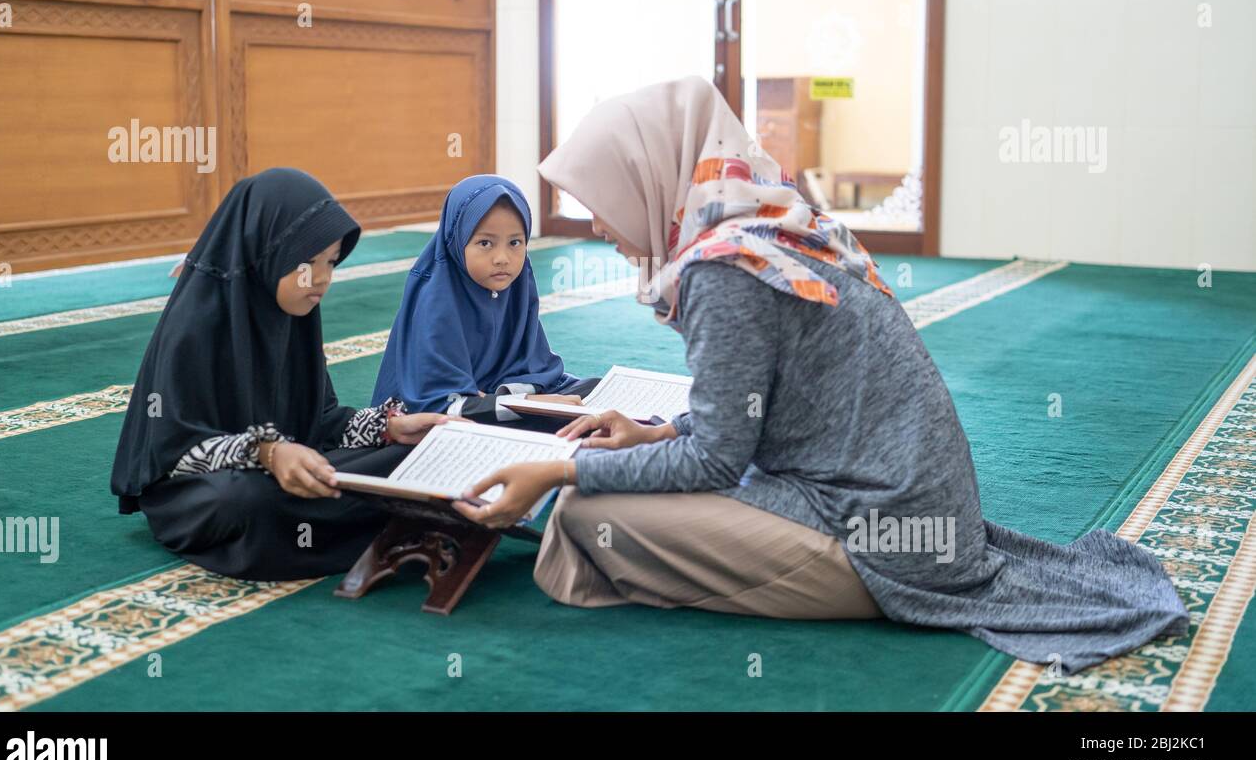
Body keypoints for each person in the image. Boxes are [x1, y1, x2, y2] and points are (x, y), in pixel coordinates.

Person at [454, 77, 1189, 675]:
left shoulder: (722, 270)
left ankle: (842, 594)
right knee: (609, 487)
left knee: (590, 517)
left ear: (648, 178)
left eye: (601, 203)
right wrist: (656, 430)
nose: (599, 227)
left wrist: (558, 471)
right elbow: (756, 410)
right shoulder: (774, 226)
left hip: (884, 545)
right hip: (918, 519)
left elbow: (718, 459)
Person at [110, 168, 451, 581]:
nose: (322, 280)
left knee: (410, 456)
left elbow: (320, 421)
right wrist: (267, 452)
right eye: (307, 263)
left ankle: (377, 513)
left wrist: (390, 429)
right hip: (202, 486)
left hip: (290, 466)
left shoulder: (296, 317)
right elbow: (174, 451)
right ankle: (399, 520)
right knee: (245, 500)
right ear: (265, 251)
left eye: (331, 263)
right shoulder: (197, 324)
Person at [370, 174, 597, 427]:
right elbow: (437, 404)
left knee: (594, 394)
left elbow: (539, 371)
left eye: (515, 242)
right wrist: (528, 405)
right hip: (430, 419)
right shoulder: (437, 303)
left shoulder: (517, 286)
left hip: (493, 398)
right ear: (456, 241)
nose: (502, 258)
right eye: (485, 243)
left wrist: (527, 399)